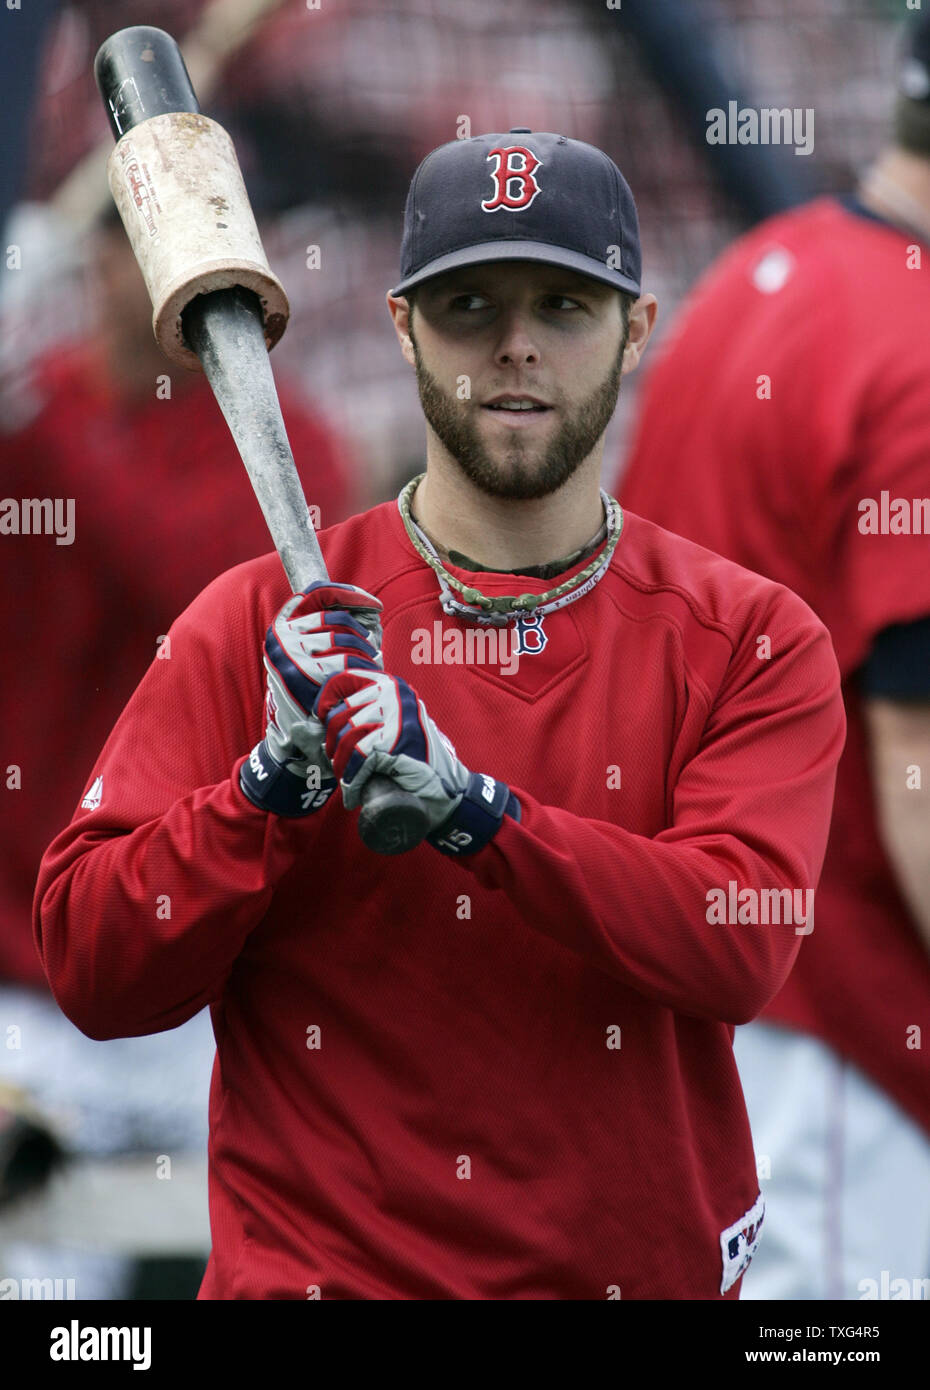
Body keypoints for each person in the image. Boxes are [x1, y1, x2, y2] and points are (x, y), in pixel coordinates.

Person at [34, 129, 845, 1300]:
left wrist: (483, 817)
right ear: (404, 324)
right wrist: (269, 787)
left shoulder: (750, 637)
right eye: (470, 304)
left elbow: (736, 943)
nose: (516, 346)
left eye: (564, 305)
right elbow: (97, 970)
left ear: (637, 327)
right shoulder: (264, 623)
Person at [616, 19, 930, 1301]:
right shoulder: (916, 349)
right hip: (840, 1041)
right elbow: (918, 759)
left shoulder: (768, 268)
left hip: (686, 1005)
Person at [0, 215, 356, 1299]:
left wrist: (34, 420)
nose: (151, 276)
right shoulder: (30, 398)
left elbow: (181, 575)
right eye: (125, 247)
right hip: (16, 958)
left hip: (199, 968)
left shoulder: (282, 441)